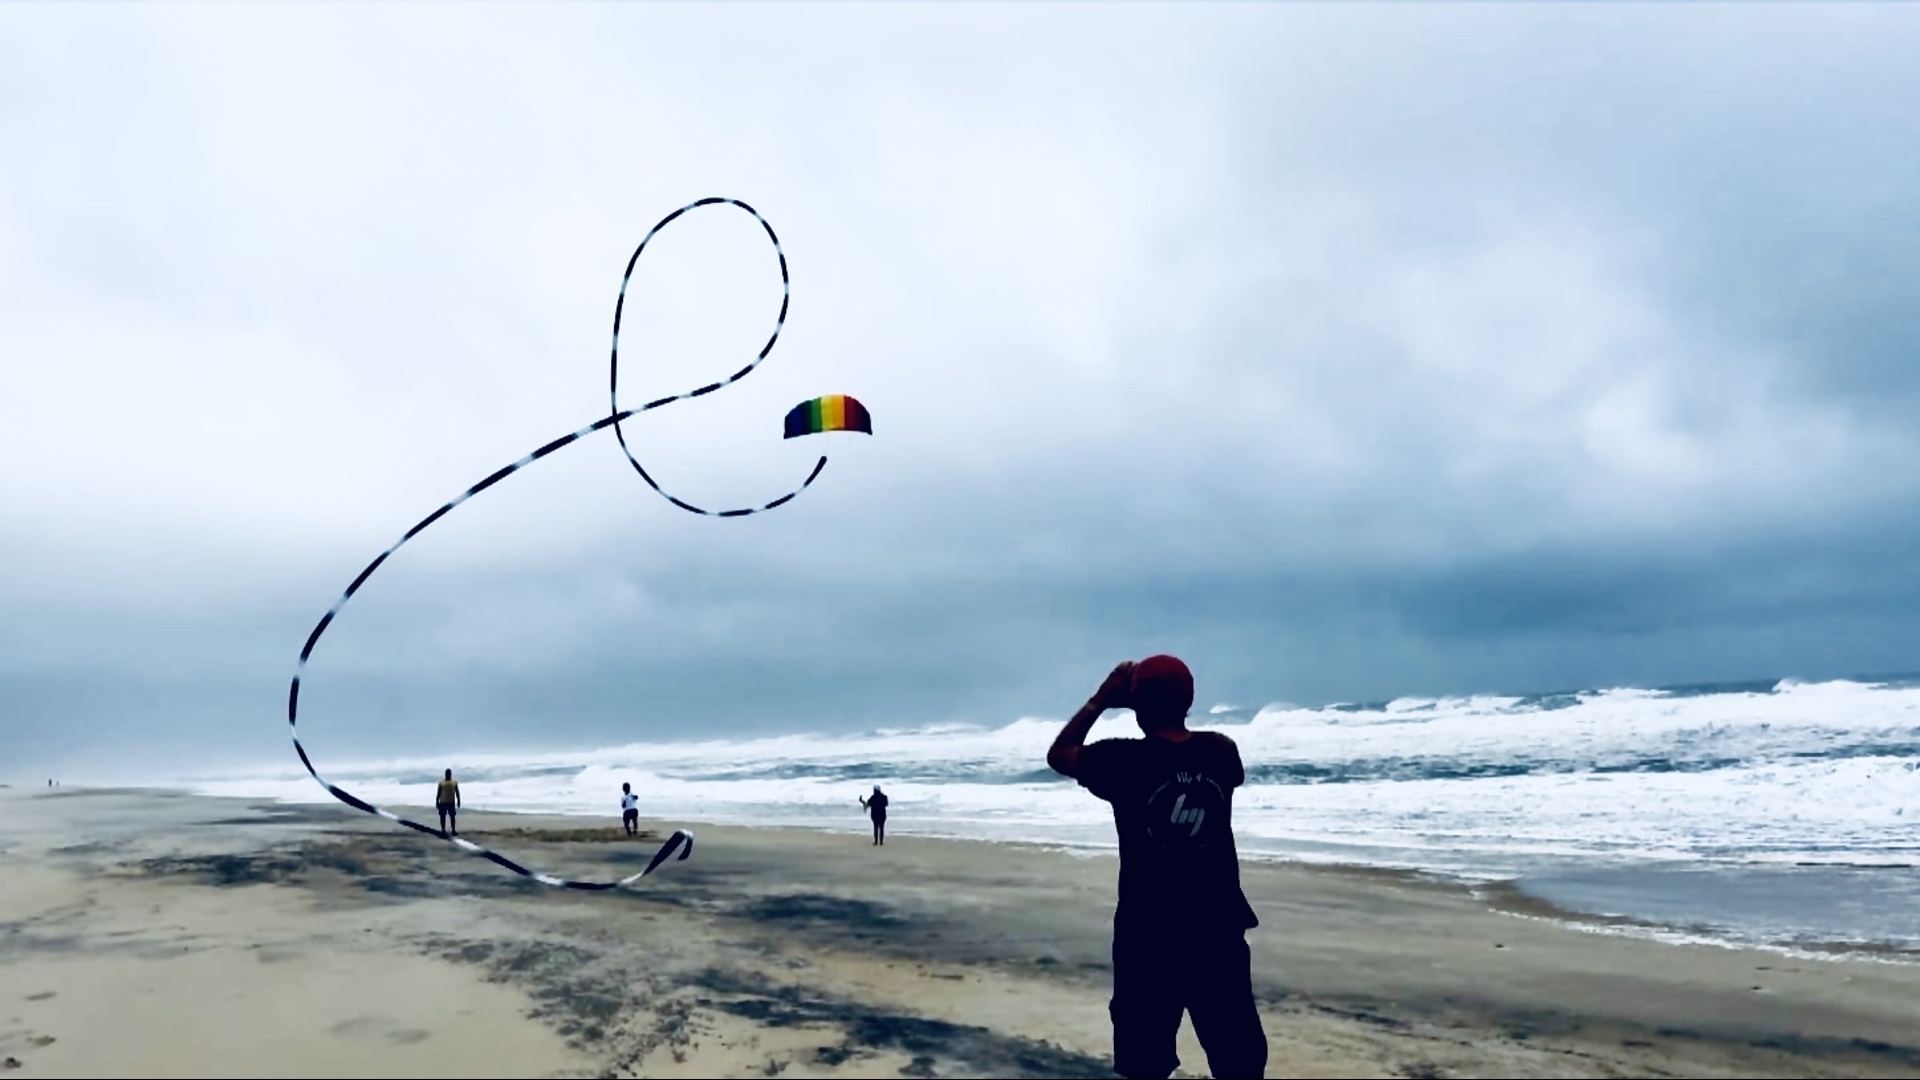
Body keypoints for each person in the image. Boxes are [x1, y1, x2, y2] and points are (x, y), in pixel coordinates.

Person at [1047, 655, 1267, 1080]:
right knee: (1239, 1060)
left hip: (1148, 934)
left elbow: (1060, 754)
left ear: (1135, 706)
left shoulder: (1121, 761)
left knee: (1144, 1062)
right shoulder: (1221, 751)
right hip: (1217, 931)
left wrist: (1099, 701)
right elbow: (1224, 775)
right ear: (1190, 699)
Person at [435, 769, 461, 837]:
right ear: (445, 774)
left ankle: (453, 830)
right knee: (442, 817)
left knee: (452, 817)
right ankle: (443, 830)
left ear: (451, 774)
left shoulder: (454, 782)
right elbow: (438, 793)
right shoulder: (441, 783)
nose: (448, 775)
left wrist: (458, 801)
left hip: (451, 802)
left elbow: (457, 792)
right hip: (443, 802)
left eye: (449, 773)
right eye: (447, 773)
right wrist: (437, 801)